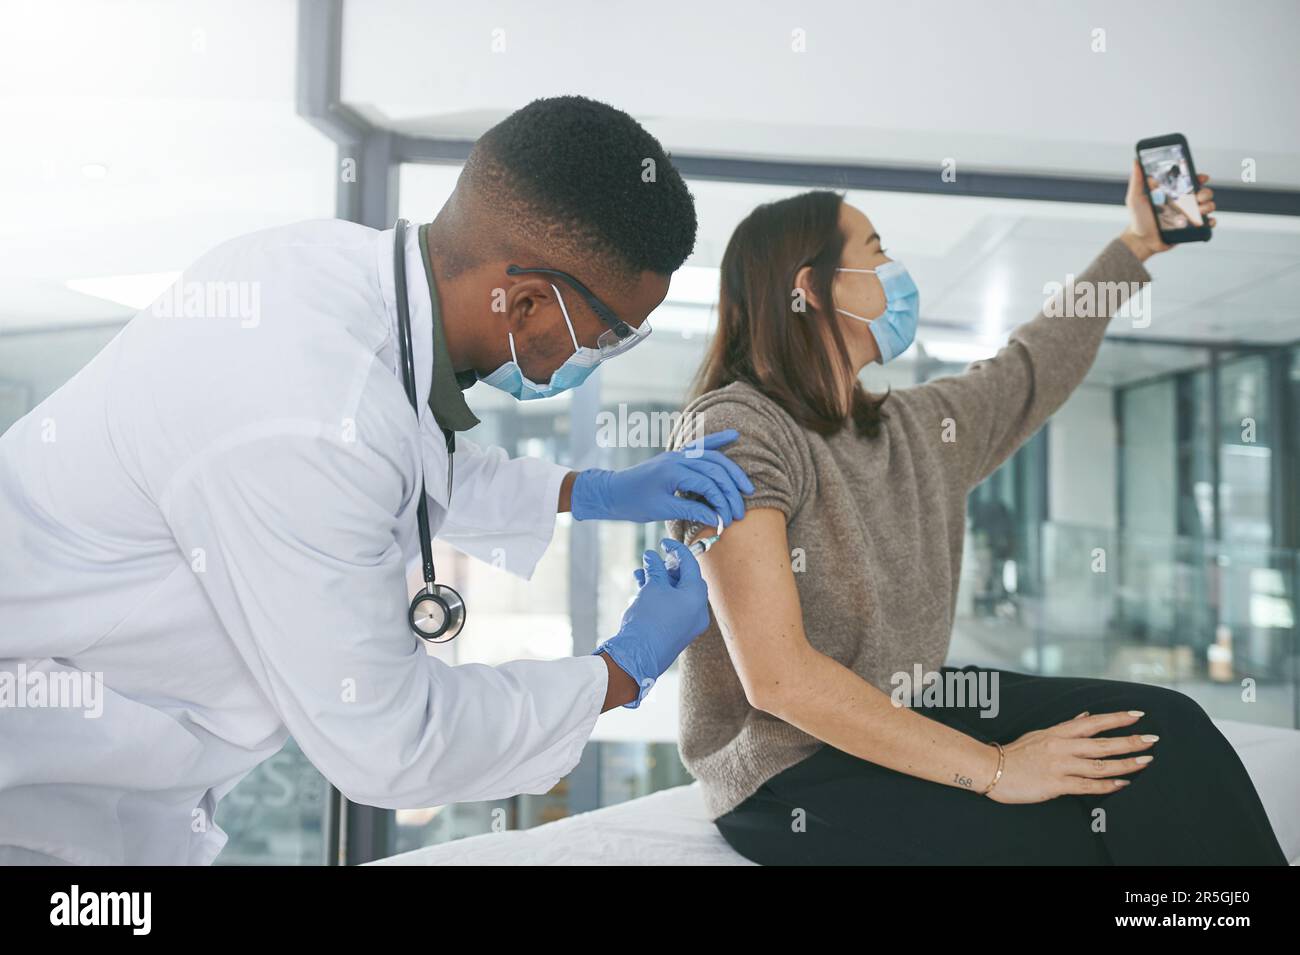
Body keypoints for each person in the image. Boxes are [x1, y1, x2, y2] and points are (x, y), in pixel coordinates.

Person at [0, 95, 753, 865]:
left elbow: (401, 464)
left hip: (99, 775)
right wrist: (623, 668)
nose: (599, 354)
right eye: (608, 336)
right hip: (33, 789)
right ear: (529, 302)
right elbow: (391, 742)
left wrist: (595, 491)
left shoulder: (331, 281)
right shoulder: (304, 412)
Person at [666, 163, 1289, 864]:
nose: (895, 268)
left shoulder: (908, 429)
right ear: (812, 286)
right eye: (876, 250)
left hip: (903, 700)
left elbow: (1033, 364)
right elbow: (779, 680)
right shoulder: (736, 428)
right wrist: (999, 769)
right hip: (787, 770)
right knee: (1075, 837)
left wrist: (1137, 245)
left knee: (1159, 728)